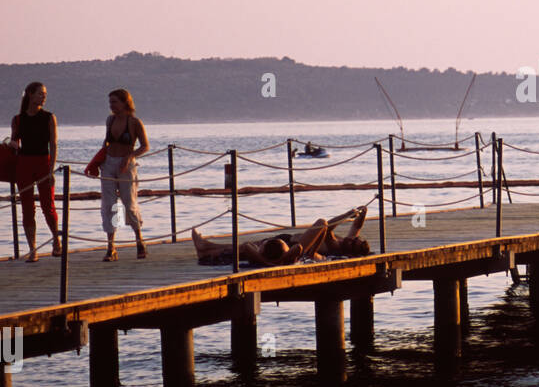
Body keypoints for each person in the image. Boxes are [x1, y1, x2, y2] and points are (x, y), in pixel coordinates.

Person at [191, 207, 370, 267]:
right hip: (288, 239)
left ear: (349, 249)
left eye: (353, 242)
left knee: (321, 223)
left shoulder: (335, 246)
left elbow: (328, 226)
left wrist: (347, 214)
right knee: (242, 248)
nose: (351, 239)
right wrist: (363, 211)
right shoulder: (348, 241)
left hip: (293, 245)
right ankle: (206, 248)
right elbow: (356, 226)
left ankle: (205, 248)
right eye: (355, 238)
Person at [89, 88, 148, 261]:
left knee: (129, 203)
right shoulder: (110, 120)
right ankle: (111, 247)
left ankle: (139, 241)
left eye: (115, 102)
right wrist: (98, 161)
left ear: (124, 102)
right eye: (110, 102)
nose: (112, 106)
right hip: (108, 164)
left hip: (126, 165)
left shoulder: (135, 122)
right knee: (109, 205)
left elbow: (145, 145)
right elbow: (106, 142)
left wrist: (130, 156)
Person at [10, 82, 60, 262]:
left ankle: (56, 240)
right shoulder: (17, 119)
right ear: (30, 95)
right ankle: (33, 249)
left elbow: (53, 144)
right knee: (27, 208)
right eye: (40, 93)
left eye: (44, 94)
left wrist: (51, 169)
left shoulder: (48, 117)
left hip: (43, 162)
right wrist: (11, 143)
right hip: (24, 164)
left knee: (48, 206)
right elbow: (16, 142)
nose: (44, 97)